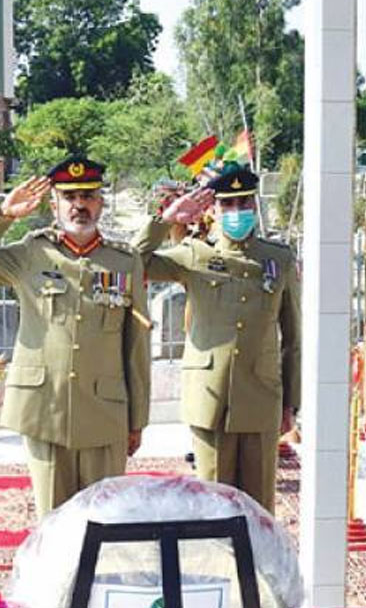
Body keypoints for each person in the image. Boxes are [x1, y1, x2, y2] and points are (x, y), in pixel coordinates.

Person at [0, 158, 151, 517]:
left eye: (88, 196)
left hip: (105, 412)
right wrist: (4, 215)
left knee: (105, 519)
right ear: (53, 204)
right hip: (44, 409)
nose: (79, 205)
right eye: (68, 196)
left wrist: (137, 420)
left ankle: (100, 576)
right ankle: (56, 577)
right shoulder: (31, 253)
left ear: (101, 202)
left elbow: (135, 346)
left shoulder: (124, 261)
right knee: (52, 522)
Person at [136, 163, 301, 513]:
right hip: (210, 397)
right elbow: (132, 265)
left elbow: (293, 337)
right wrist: (166, 220)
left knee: (259, 510)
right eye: (228, 205)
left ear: (255, 207)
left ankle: (255, 568)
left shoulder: (278, 259)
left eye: (244, 204)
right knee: (213, 507)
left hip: (261, 396)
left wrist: (291, 402)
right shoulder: (195, 254)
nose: (237, 212)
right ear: (213, 209)